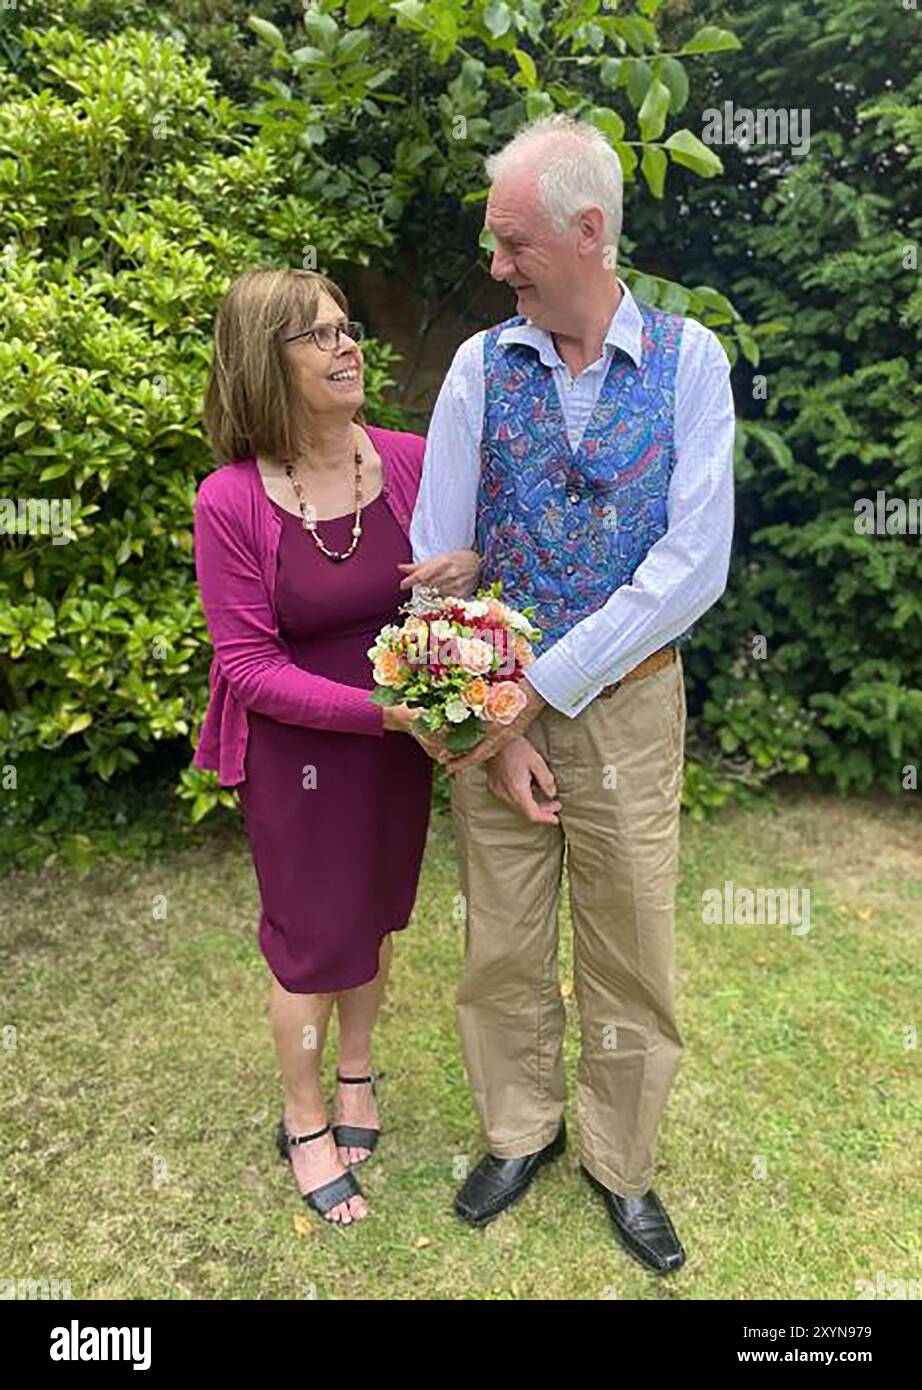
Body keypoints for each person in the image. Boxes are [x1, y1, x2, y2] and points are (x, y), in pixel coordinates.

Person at [410, 116, 736, 1273]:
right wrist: (493, 727)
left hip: (631, 708)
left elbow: (692, 564)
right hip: (491, 709)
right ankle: (515, 1131)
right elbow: (437, 545)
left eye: (511, 243)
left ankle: (621, 1160)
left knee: (632, 940)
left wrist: (535, 694)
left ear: (586, 231)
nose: (495, 266)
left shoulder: (691, 363)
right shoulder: (475, 367)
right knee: (499, 937)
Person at [193, 269, 479, 1227]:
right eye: (316, 336)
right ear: (261, 363)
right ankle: (305, 1117)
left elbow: (458, 581)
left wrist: (467, 567)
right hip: (300, 758)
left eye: (346, 328)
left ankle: (357, 1076)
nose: (345, 347)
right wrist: (386, 715)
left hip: (397, 746)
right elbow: (246, 667)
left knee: (377, 918)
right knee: (312, 945)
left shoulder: (405, 458)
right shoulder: (229, 501)